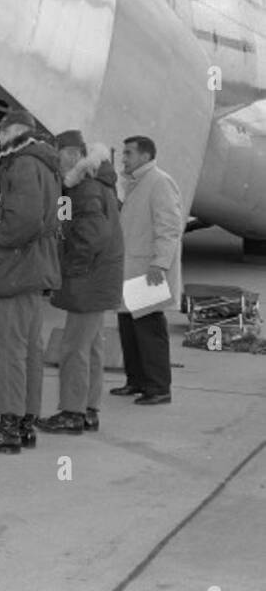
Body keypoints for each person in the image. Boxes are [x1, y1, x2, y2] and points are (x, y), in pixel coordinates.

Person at [0, 108, 61, 453]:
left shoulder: (22, 165)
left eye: (1, 131)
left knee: (10, 349)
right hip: (33, 269)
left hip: (18, 269)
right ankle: (23, 423)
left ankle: (9, 426)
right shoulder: (41, 164)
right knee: (29, 348)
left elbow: (24, 221)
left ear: (16, 131)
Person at [38, 131, 124, 434]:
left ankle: (72, 413)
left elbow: (93, 235)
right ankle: (88, 409)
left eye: (57, 154)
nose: (55, 160)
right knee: (92, 347)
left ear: (74, 155)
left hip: (88, 280)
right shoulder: (93, 184)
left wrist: (71, 269)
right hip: (99, 278)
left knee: (74, 347)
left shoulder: (85, 188)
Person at [114, 135, 182, 405]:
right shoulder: (135, 183)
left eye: (128, 153)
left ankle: (158, 388)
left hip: (148, 269)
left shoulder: (159, 182)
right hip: (133, 268)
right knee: (129, 327)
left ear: (145, 156)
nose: (124, 158)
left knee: (148, 329)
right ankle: (137, 381)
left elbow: (169, 227)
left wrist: (159, 263)